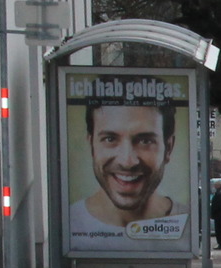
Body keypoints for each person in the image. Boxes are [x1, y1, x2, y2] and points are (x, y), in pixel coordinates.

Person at [68, 100, 186, 249]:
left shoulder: (187, 224)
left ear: (168, 148)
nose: (127, 162)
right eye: (110, 139)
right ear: (92, 145)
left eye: (145, 141)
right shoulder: (68, 224)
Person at [209, 184, 221, 249]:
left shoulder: (219, 194)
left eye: (215, 186)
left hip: (218, 215)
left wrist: (212, 212)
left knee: (219, 231)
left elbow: (216, 205)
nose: (214, 187)